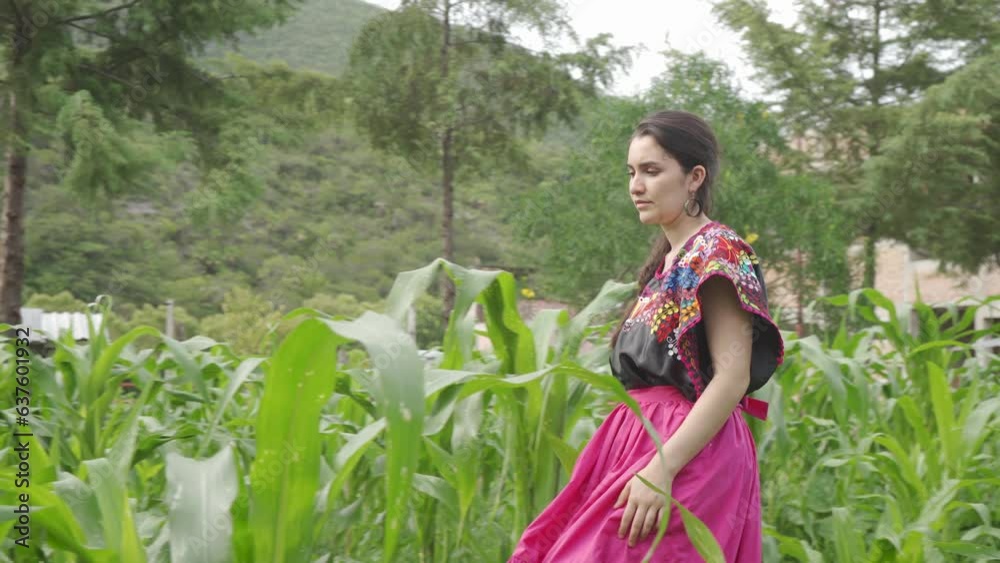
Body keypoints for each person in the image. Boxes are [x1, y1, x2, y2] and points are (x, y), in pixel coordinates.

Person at [508, 110, 785, 562]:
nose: (636, 186)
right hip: (639, 444)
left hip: (685, 456)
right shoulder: (668, 261)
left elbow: (732, 378)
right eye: (632, 172)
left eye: (652, 171)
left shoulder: (717, 250)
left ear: (694, 177)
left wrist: (661, 468)